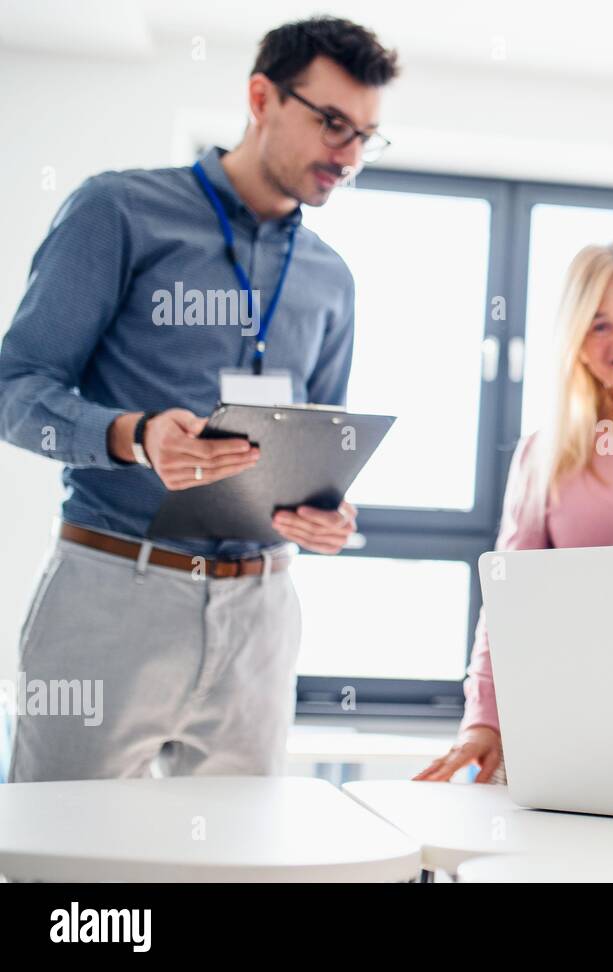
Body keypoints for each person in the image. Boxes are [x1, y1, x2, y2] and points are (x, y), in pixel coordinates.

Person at [0, 17, 399, 781]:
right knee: (65, 860)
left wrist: (324, 513)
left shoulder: (332, 278)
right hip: (113, 590)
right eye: (332, 124)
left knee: (236, 861)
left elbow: (323, 441)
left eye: (366, 137)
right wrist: (134, 434)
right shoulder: (117, 212)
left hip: (263, 612)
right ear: (261, 97)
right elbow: (15, 389)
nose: (347, 156)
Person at [414, 242, 613, 783]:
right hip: (576, 711)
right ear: (577, 345)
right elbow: (508, 596)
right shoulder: (546, 451)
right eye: (599, 325)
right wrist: (485, 722)